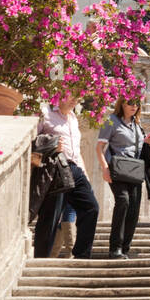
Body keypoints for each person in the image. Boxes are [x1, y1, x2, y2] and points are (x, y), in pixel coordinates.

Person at [34, 91, 99, 259]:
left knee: (91, 207)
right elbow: (32, 142)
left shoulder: (73, 118)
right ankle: (41, 258)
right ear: (60, 93)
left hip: (74, 168)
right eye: (72, 95)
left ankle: (82, 255)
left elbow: (76, 151)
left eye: (77, 97)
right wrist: (50, 146)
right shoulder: (45, 113)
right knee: (51, 214)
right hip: (54, 167)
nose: (75, 100)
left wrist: (84, 173)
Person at [96, 97, 150, 259]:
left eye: (137, 103)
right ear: (122, 103)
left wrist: (147, 143)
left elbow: (137, 150)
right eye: (130, 103)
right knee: (123, 201)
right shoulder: (111, 121)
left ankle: (125, 248)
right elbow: (99, 148)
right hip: (116, 169)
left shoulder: (137, 126)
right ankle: (115, 248)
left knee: (134, 210)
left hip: (134, 171)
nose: (133, 106)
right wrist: (105, 169)